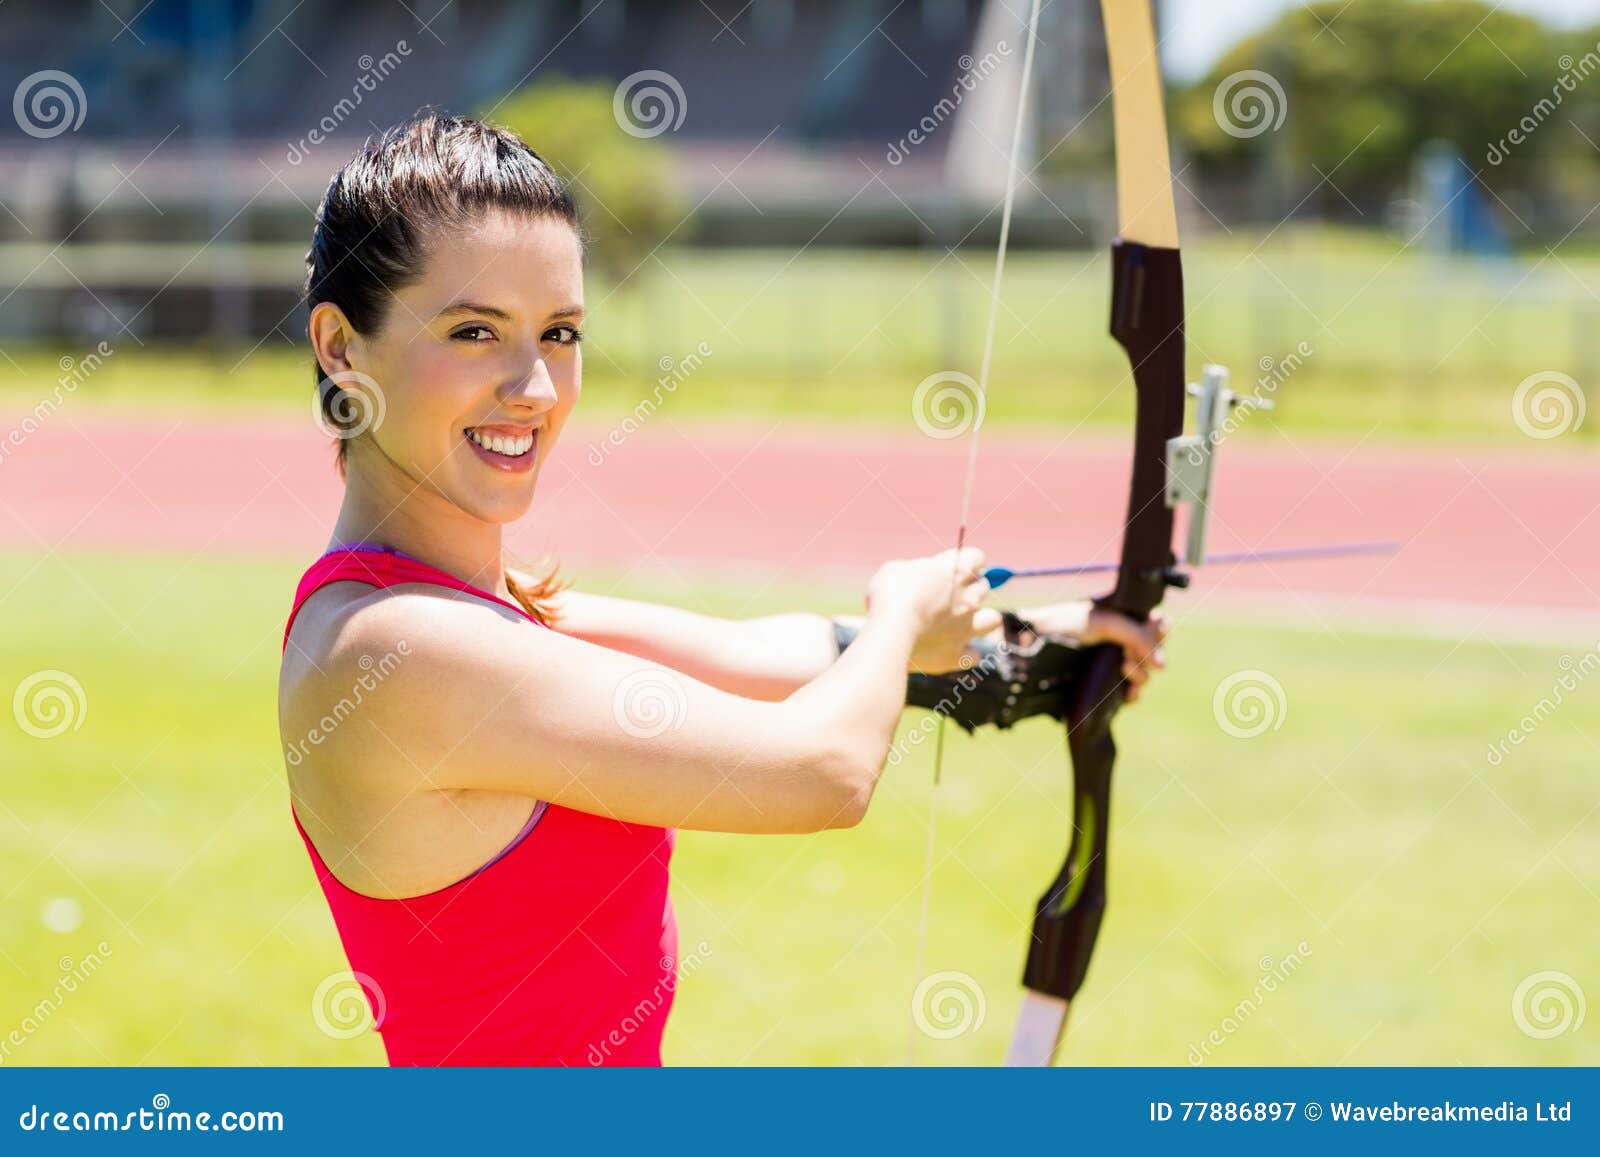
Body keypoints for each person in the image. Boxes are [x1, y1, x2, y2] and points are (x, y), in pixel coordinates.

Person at [278, 112, 1168, 1067]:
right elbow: (821, 771)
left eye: (561, 332)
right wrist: (903, 612)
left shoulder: (500, 615)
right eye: (473, 331)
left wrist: (1039, 638)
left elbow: (765, 658)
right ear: (340, 347)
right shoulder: (389, 651)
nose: (535, 385)